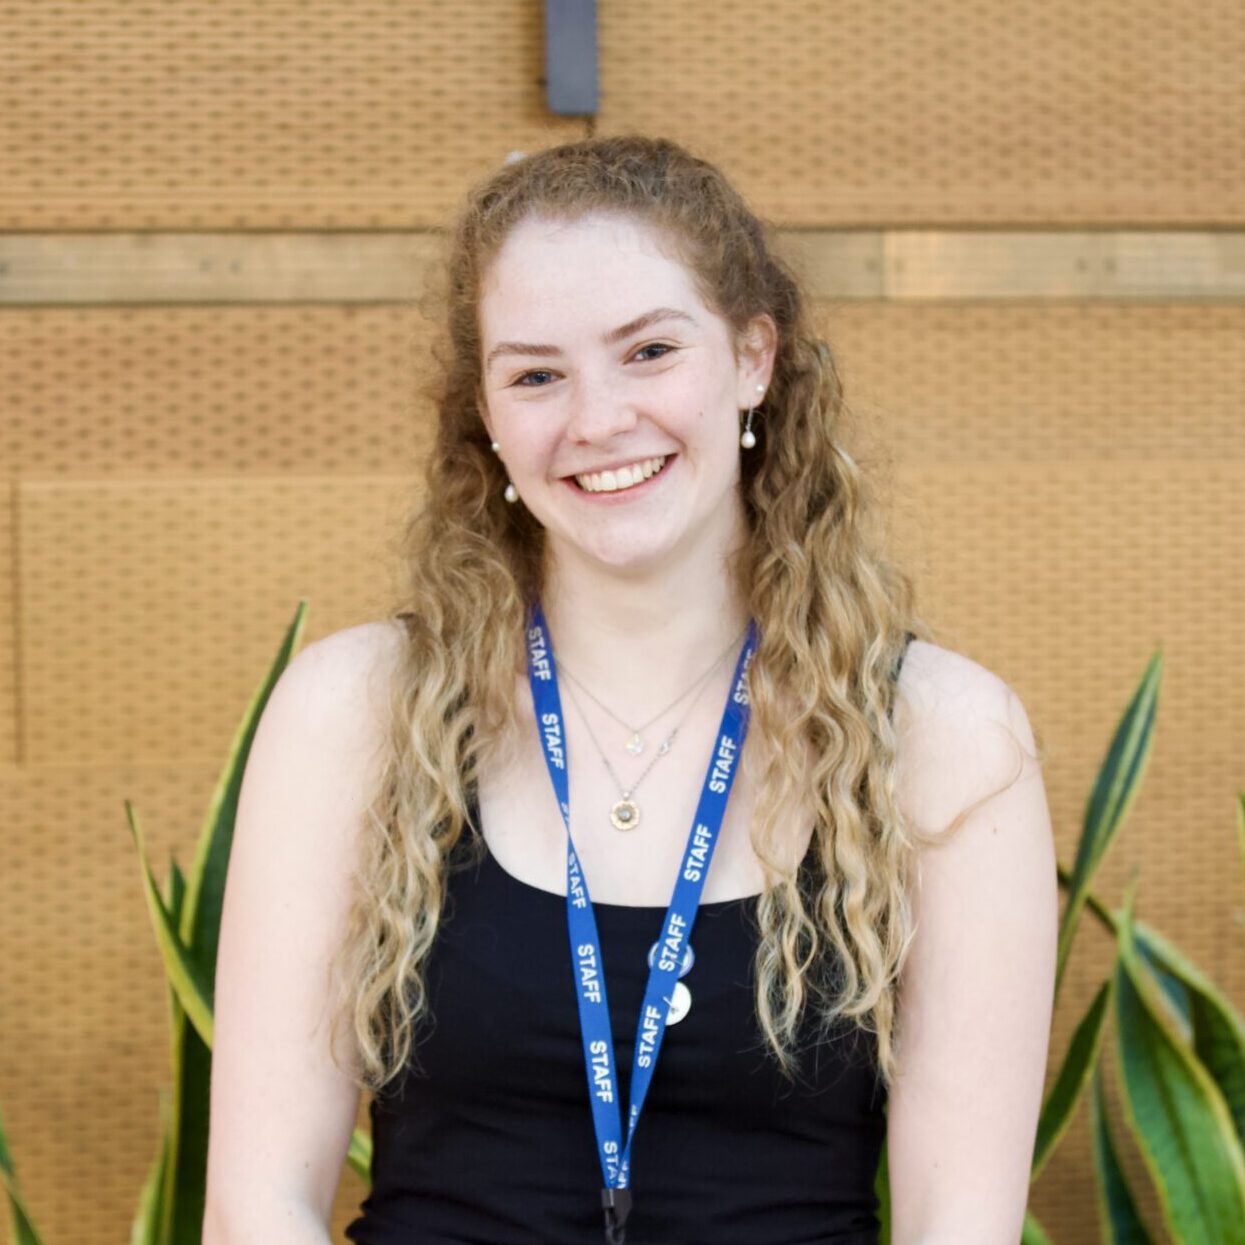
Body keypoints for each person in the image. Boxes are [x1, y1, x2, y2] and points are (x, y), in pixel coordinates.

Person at [203, 135, 1058, 1245]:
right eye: (536, 374)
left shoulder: (945, 738)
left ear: (754, 357)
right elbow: (256, 1206)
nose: (597, 419)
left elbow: (961, 1226)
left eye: (648, 351)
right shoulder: (354, 713)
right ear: (489, 415)